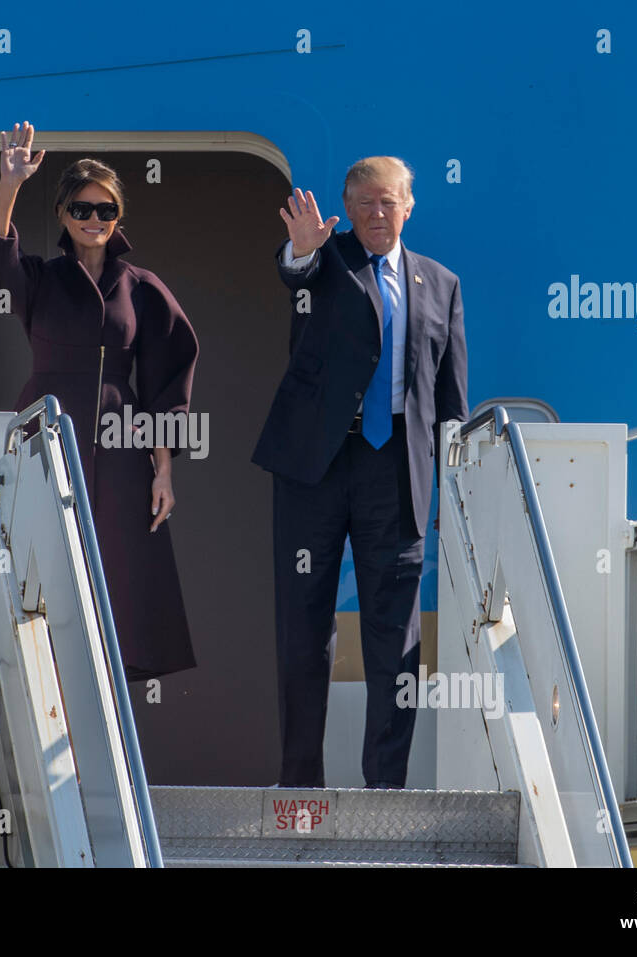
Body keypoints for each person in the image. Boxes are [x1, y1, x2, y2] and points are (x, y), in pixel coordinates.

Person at [252, 157, 468, 788]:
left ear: (409, 207)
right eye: (365, 205)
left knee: (394, 637)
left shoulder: (442, 283)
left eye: (388, 202)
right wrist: (299, 251)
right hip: (314, 469)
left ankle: (387, 789)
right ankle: (299, 783)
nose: (377, 215)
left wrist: (449, 486)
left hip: (395, 471)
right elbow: (295, 273)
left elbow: (450, 402)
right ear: (347, 211)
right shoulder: (325, 260)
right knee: (303, 624)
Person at [0, 121, 198, 680]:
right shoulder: (40, 280)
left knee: (120, 580)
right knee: (44, 567)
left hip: (123, 450)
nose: (94, 220)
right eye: (82, 209)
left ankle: (113, 728)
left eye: (106, 211)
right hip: (47, 436)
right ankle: (44, 697)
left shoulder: (141, 287)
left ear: (118, 217)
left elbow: (168, 382)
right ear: (63, 216)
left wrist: (163, 473)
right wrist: (10, 184)